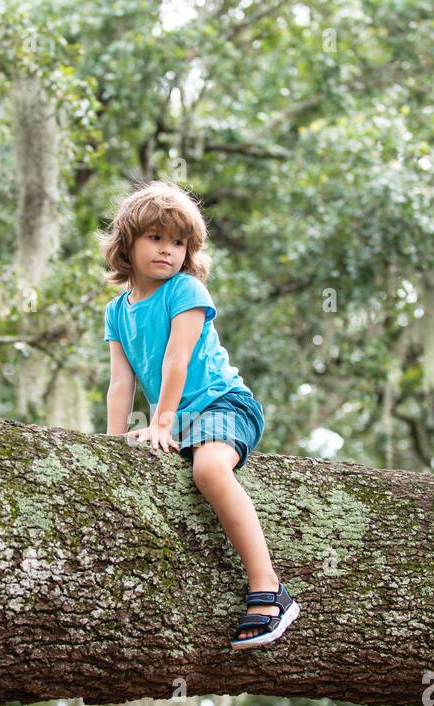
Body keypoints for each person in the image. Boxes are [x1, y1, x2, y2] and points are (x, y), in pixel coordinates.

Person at [97, 180, 301, 650]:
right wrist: (108, 444)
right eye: (155, 238)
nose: (167, 250)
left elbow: (176, 359)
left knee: (208, 468)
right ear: (127, 242)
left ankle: (269, 590)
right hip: (181, 420)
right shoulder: (117, 311)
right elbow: (120, 383)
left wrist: (163, 421)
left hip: (223, 405)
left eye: (178, 242)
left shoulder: (185, 290)